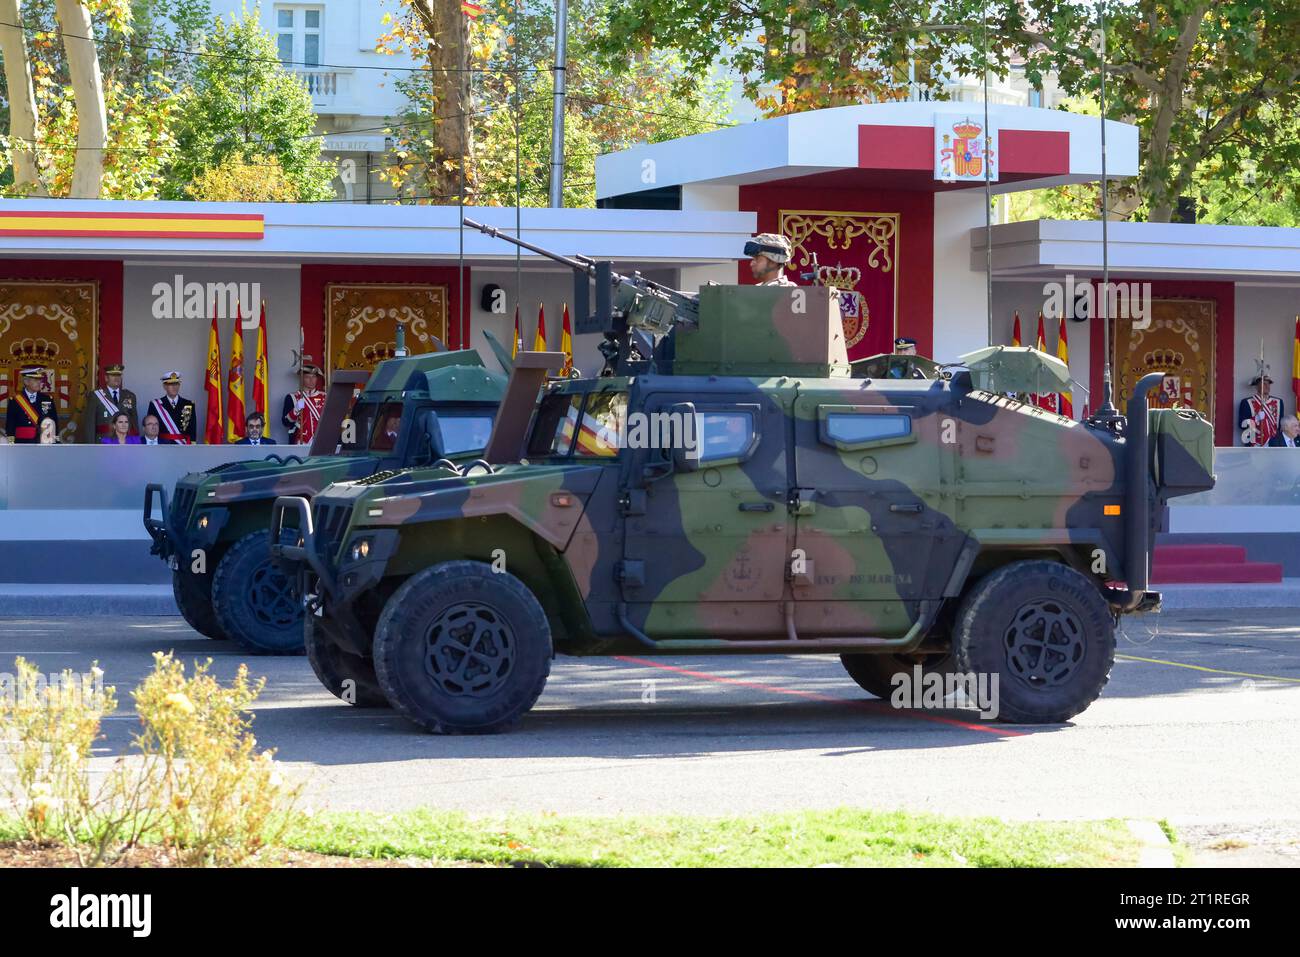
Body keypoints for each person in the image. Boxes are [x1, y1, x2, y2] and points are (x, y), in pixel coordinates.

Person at [82, 363, 138, 442]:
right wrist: (91, 447)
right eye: (113, 375)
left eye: (118, 375)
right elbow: (90, 425)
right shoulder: (95, 396)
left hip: (124, 441)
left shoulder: (130, 396)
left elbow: (134, 423)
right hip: (103, 441)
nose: (116, 378)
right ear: (106, 378)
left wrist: (135, 442)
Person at [4, 365, 58, 444]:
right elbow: (10, 427)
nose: (39, 382)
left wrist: (54, 442)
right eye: (36, 379)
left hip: (42, 443)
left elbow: (53, 422)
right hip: (21, 444)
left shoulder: (46, 400)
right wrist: (11, 445)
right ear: (26, 382)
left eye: (40, 379)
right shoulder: (15, 401)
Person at [282, 361, 325, 446]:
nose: (311, 380)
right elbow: (285, 422)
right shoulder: (292, 397)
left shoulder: (324, 397)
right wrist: (296, 409)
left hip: (321, 441)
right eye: (307, 377)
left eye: (314, 377)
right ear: (302, 379)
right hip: (299, 441)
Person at [146, 372, 196, 444]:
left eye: (176, 384)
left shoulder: (188, 404)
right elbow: (151, 428)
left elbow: (192, 429)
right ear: (164, 386)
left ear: (179, 385)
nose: (174, 387)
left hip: (183, 445)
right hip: (162, 444)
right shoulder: (155, 405)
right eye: (170, 384)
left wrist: (192, 444)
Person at [1238, 374, 1283, 447]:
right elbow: (1242, 424)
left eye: (1268, 384)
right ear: (1256, 386)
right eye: (1264, 384)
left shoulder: (1278, 402)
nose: (1267, 386)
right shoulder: (1247, 402)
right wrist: (1256, 419)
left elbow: (1281, 425)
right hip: (1254, 443)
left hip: (1274, 443)